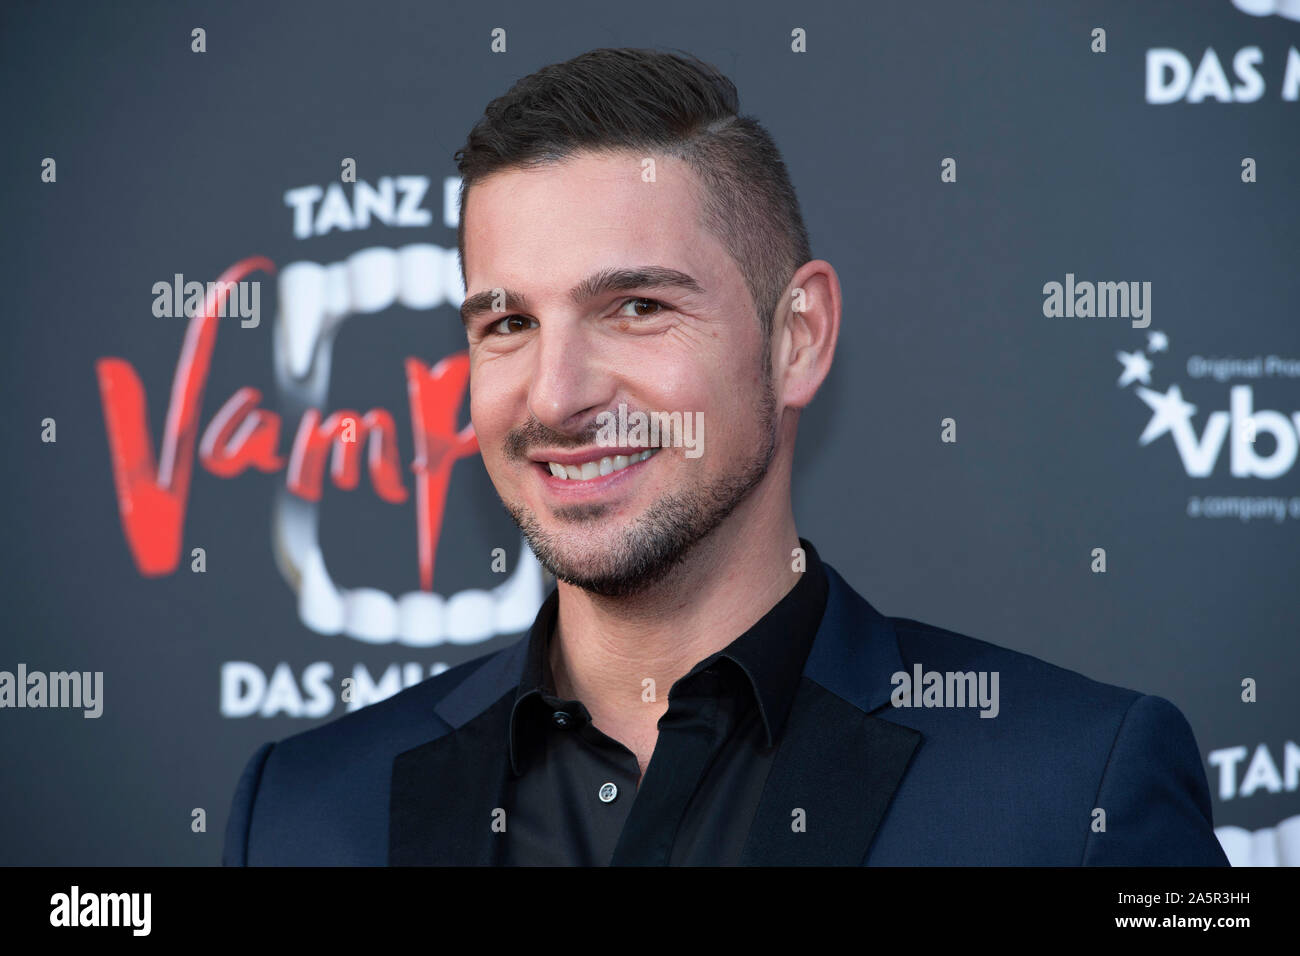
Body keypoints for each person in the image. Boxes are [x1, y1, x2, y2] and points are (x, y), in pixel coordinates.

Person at [223, 48, 1228, 866]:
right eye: (508, 321)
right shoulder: (304, 811)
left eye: (637, 307)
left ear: (797, 335)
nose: (558, 393)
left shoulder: (1070, 789)